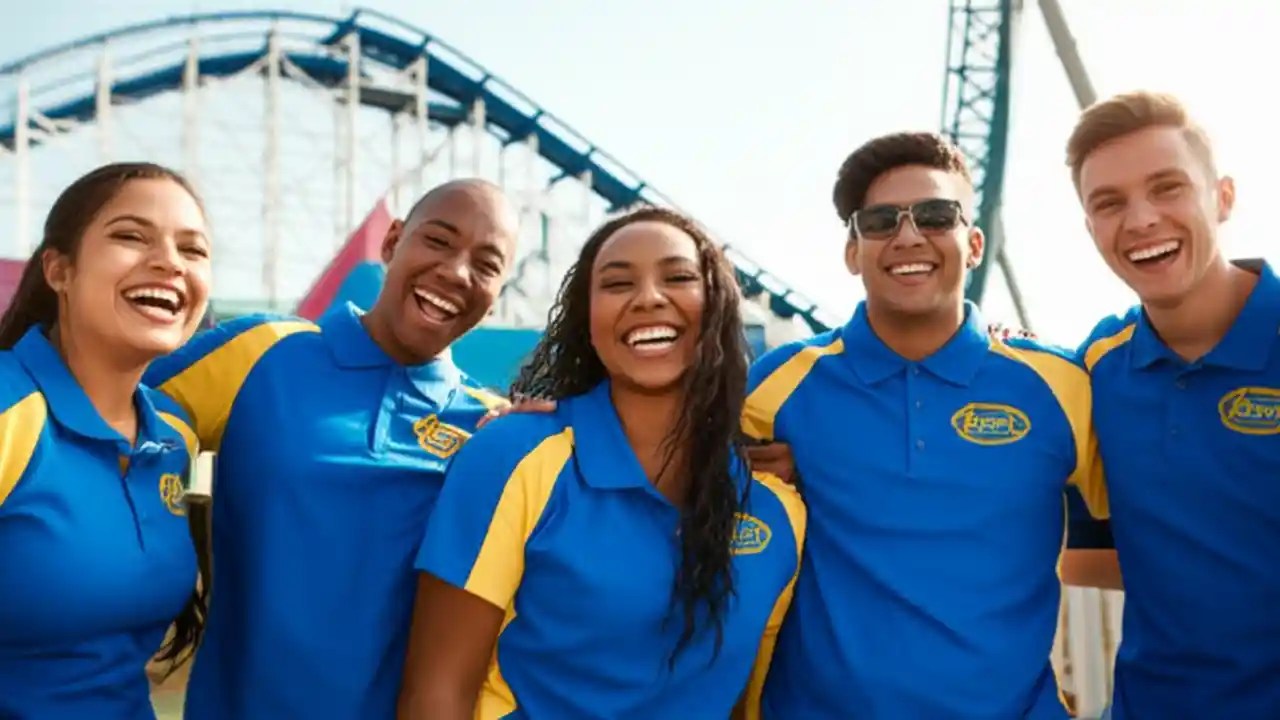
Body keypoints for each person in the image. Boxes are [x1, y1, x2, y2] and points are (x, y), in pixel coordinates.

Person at [742, 132, 1106, 718]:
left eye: (936, 215)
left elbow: (1167, 533)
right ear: (852, 251)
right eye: (881, 221)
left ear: (975, 242)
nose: (908, 236)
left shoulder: (1060, 387)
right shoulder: (778, 385)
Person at [397, 206, 805, 719]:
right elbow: (435, 696)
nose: (648, 298)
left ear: (717, 307)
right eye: (616, 284)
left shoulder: (777, 509)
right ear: (588, 321)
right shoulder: (512, 456)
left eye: (678, 277)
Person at [142, 179, 519, 719]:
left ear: (497, 293)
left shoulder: (494, 429)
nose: (456, 272)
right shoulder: (262, 352)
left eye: (486, 265)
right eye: (438, 241)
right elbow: (99, 421)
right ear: (391, 242)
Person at [1061, 91, 1280, 719]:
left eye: (1167, 188)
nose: (1141, 219)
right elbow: (1084, 549)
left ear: (1224, 197)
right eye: (1109, 203)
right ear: (1090, 228)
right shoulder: (1094, 369)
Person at [0, 162, 212, 718]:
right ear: (59, 270)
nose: (169, 262)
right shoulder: (8, 410)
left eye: (193, 250)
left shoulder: (175, 436)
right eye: (130, 236)